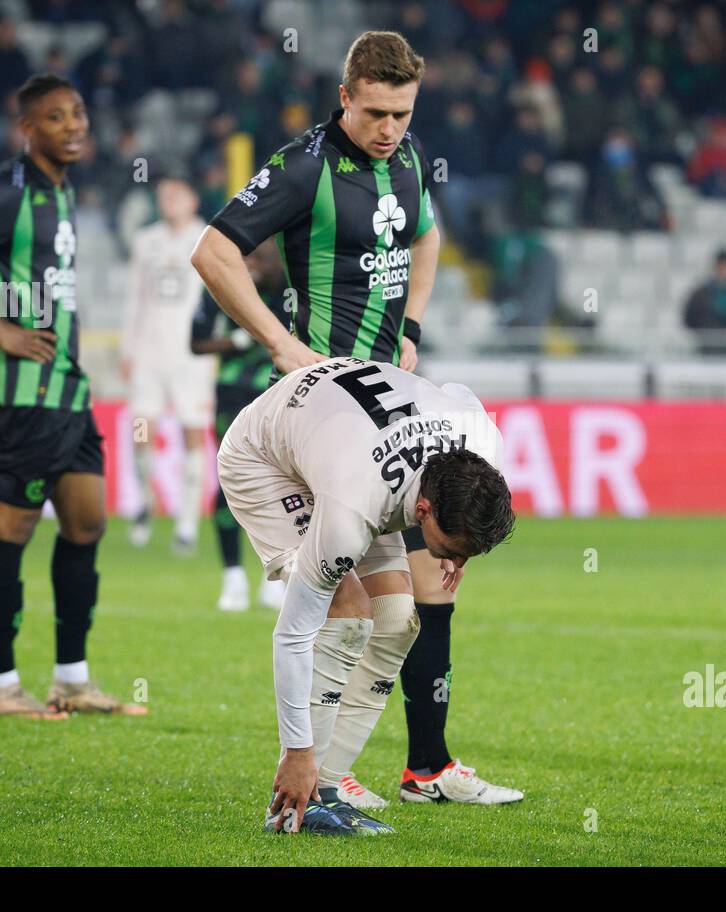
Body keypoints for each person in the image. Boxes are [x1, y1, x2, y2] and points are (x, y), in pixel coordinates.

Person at [192, 30, 524, 809]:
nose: (389, 129)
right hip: (325, 430)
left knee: (425, 594)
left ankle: (420, 765)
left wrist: (410, 327)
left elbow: (429, 236)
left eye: (402, 113)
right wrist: (279, 343)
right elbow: (212, 250)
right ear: (345, 95)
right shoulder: (304, 165)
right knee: (359, 605)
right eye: (374, 111)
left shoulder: (406, 159)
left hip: (390, 412)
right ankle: (329, 769)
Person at [0, 74, 145, 719]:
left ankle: (71, 679)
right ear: (28, 129)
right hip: (21, 395)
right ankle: (1, 686)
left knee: (88, 522)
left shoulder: (61, 193)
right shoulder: (6, 192)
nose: (73, 126)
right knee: (10, 531)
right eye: (54, 117)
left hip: (67, 388)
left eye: (77, 114)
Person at [216, 357, 515, 834]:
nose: (459, 561)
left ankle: (327, 790)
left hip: (343, 440)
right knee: (348, 610)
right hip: (266, 460)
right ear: (423, 510)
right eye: (457, 548)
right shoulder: (351, 508)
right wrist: (297, 752)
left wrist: (460, 550)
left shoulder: (482, 444)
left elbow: (458, 388)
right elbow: (292, 635)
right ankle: (300, 793)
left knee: (397, 618)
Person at [121, 174, 216, 554]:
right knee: (142, 431)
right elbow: (134, 297)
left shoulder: (209, 237)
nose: (169, 201)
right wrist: (127, 348)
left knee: (193, 432)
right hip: (149, 354)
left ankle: (187, 522)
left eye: (177, 193)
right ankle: (144, 503)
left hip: (191, 357)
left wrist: (212, 353)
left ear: (193, 198)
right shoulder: (146, 241)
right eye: (163, 195)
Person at [189, 243, 286, 613]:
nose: (251, 266)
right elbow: (195, 343)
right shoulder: (222, 282)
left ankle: (274, 577)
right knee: (230, 481)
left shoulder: (294, 286)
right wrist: (236, 341)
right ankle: (233, 577)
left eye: (259, 258)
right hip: (232, 393)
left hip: (279, 392)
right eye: (245, 258)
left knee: (283, 483)